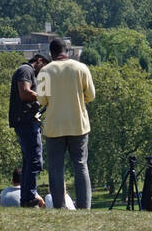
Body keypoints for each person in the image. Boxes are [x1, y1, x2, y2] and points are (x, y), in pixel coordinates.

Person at [36, 38, 95, 210]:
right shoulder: (81, 68)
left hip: (54, 126)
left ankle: (59, 206)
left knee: (56, 169)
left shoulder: (45, 71)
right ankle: (85, 206)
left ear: (51, 53)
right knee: (81, 165)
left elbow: (42, 99)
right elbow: (90, 95)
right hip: (78, 124)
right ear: (67, 51)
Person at [9, 52, 48, 208]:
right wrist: (44, 97)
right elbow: (24, 93)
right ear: (39, 60)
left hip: (26, 121)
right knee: (34, 160)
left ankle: (27, 197)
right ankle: (29, 196)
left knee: (29, 161)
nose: (44, 71)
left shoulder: (31, 73)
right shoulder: (26, 70)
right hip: (25, 122)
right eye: (44, 67)